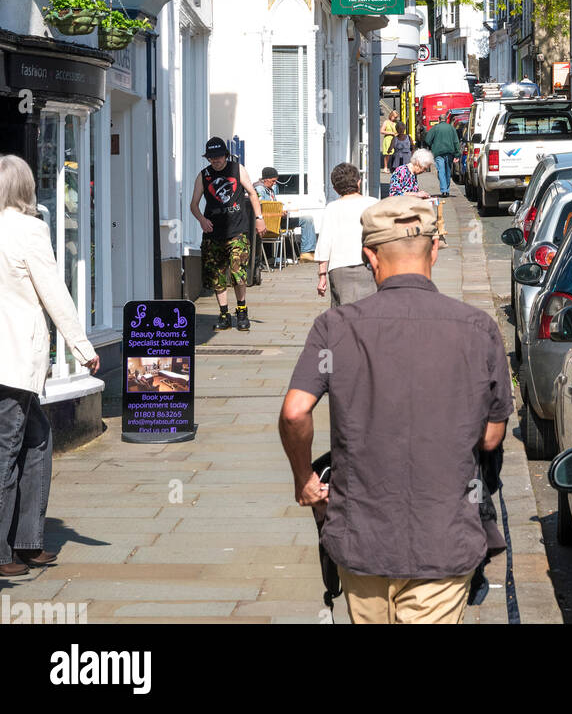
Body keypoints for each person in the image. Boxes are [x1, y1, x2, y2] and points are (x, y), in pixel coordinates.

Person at [279, 194, 513, 625]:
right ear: (435, 249)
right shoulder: (478, 330)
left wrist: (305, 480)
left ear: (369, 256)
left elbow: (295, 411)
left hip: (362, 539)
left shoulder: (335, 328)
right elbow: (491, 438)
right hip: (444, 537)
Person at [0, 155, 101, 577]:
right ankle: (7, 551)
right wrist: (81, 345)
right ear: (26, 188)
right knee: (8, 449)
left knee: (36, 439)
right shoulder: (29, 229)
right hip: (13, 358)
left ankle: (27, 540)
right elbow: (54, 293)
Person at [189, 136, 265, 332]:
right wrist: (202, 220)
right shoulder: (204, 176)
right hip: (213, 234)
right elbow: (194, 205)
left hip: (237, 231)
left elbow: (252, 193)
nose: (216, 161)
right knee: (217, 276)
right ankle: (224, 314)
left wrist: (259, 218)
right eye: (212, 157)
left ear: (225, 155)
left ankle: (242, 311)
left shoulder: (237, 169)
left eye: (219, 156)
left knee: (238, 273)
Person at [316, 163, 378, 306]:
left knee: (342, 316)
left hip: (339, 268)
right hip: (369, 264)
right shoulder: (373, 203)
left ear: (335, 188)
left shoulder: (332, 208)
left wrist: (322, 275)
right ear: (358, 182)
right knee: (370, 312)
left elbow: (324, 242)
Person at [254, 165, 316, 260]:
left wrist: (281, 212)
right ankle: (307, 254)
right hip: (269, 223)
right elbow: (262, 208)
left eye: (275, 181)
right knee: (307, 219)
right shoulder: (259, 190)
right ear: (265, 179)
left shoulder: (270, 189)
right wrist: (278, 213)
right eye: (273, 181)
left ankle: (307, 254)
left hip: (278, 220)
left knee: (307, 219)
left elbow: (272, 206)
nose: (274, 184)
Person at [424, 115, 460, 198]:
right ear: (446, 120)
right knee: (448, 171)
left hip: (438, 153)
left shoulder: (435, 128)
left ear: (438, 120)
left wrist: (432, 145)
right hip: (449, 153)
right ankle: (446, 190)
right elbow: (456, 141)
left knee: (441, 171)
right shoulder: (451, 128)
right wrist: (457, 153)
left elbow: (427, 140)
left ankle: (444, 190)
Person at [381, 110, 398, 174]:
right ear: (391, 115)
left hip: (394, 139)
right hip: (388, 139)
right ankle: (385, 167)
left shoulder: (396, 123)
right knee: (387, 154)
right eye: (394, 117)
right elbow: (382, 131)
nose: (395, 118)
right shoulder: (386, 122)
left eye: (396, 117)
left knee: (395, 154)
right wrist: (391, 133)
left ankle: (393, 167)